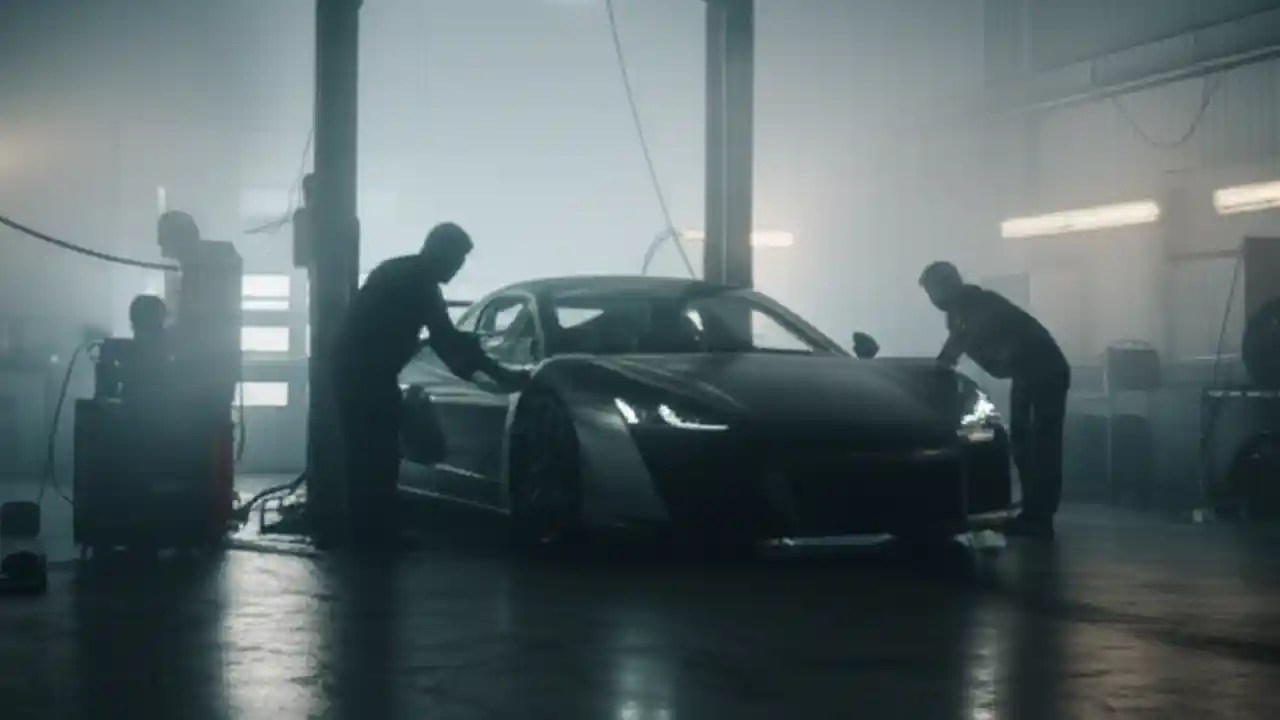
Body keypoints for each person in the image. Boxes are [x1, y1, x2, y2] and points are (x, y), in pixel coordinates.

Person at [331, 222, 530, 546]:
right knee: (378, 454)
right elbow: (446, 339)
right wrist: (498, 374)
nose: (458, 268)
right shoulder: (420, 283)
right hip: (367, 375)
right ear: (440, 252)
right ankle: (372, 535)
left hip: (355, 371)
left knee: (366, 453)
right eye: (456, 260)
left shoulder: (398, 272)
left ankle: (366, 532)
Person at [919, 261, 1069, 538]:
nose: (933, 300)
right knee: (1025, 442)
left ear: (946, 285)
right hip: (1029, 371)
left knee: (1039, 445)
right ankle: (1034, 513)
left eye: (932, 292)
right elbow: (959, 346)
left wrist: (937, 370)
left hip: (1042, 371)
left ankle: (1039, 516)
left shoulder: (976, 305)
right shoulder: (963, 310)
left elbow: (960, 343)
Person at [157, 210, 243, 410]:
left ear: (180, 237)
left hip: (209, 370)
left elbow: (200, 321)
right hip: (209, 367)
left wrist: (158, 337)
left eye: (164, 238)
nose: (160, 244)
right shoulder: (200, 265)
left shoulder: (215, 261)